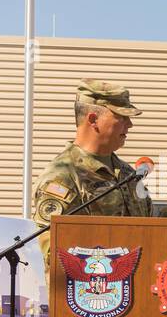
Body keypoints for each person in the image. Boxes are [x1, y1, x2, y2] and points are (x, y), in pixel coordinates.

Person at [32, 79, 152, 261]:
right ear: (93, 119)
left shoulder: (128, 174)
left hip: (139, 282)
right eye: (121, 117)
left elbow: (152, 232)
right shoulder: (62, 178)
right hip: (94, 286)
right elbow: (54, 254)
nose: (129, 124)